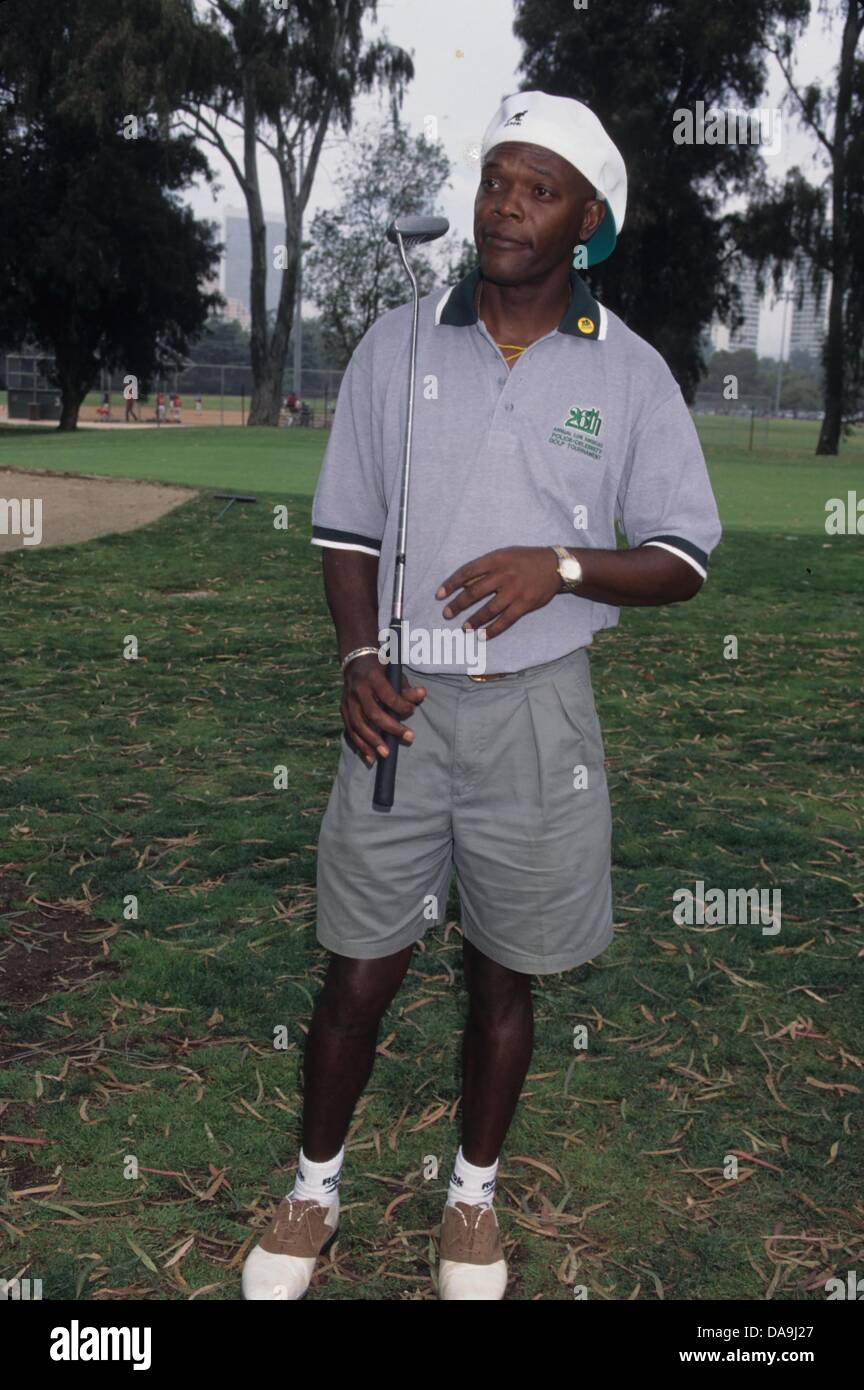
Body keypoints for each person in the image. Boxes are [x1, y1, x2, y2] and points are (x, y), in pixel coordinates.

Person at [241, 91, 722, 1301]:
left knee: (503, 973)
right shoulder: (397, 344)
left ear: (587, 221)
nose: (506, 201)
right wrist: (357, 662)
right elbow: (346, 527)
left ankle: (472, 1199)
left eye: (538, 186)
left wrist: (556, 565)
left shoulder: (632, 374)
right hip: (399, 702)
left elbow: (685, 556)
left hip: (541, 715)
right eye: (497, 176)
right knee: (359, 968)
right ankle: (314, 1188)